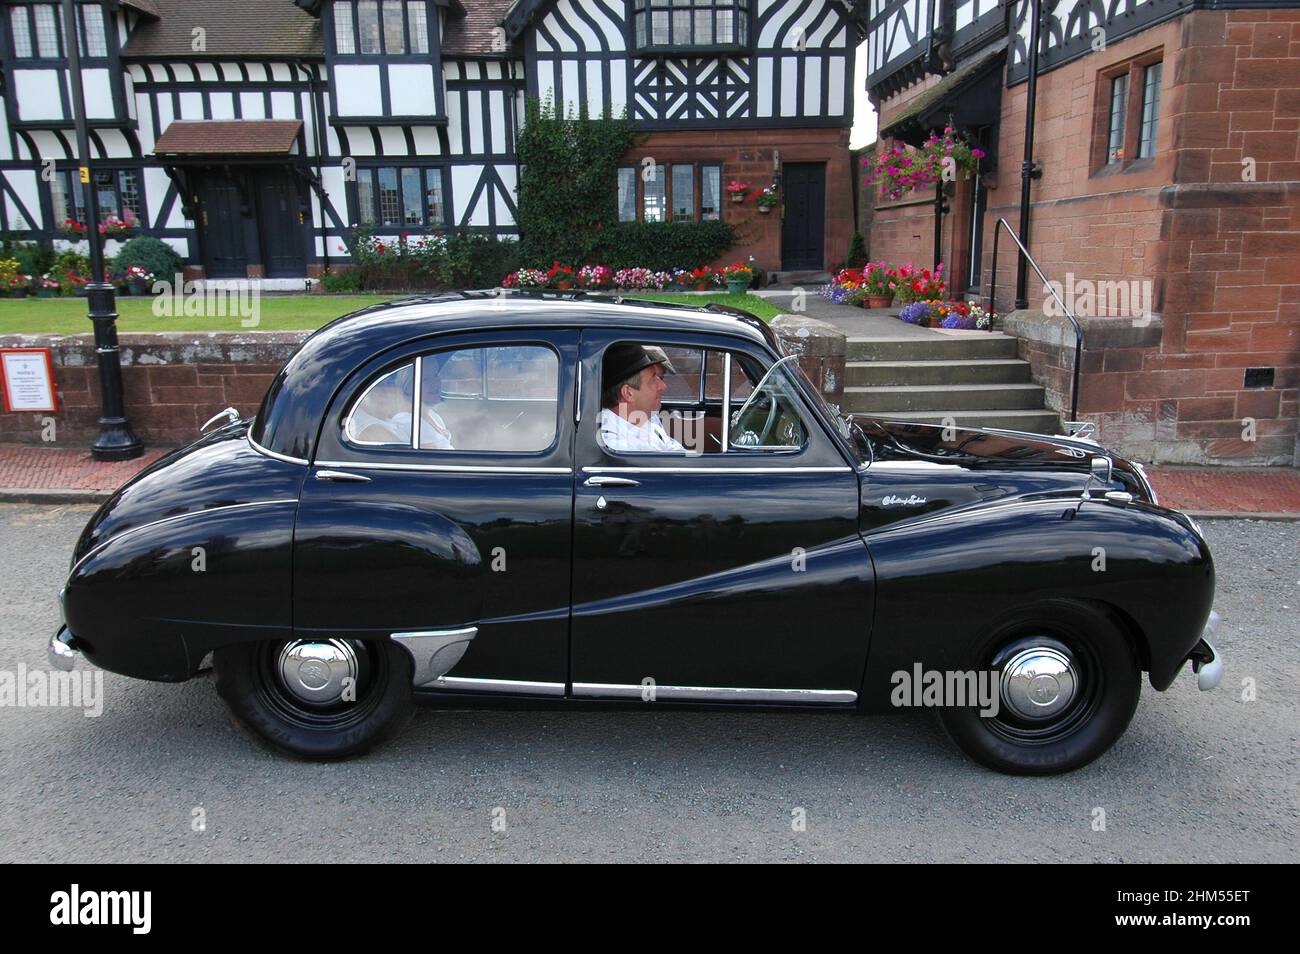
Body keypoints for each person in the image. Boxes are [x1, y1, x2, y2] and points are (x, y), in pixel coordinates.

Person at [599, 344, 686, 453]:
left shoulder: (645, 417)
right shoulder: (615, 445)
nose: (663, 386)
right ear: (628, 393)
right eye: (653, 380)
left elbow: (676, 451)